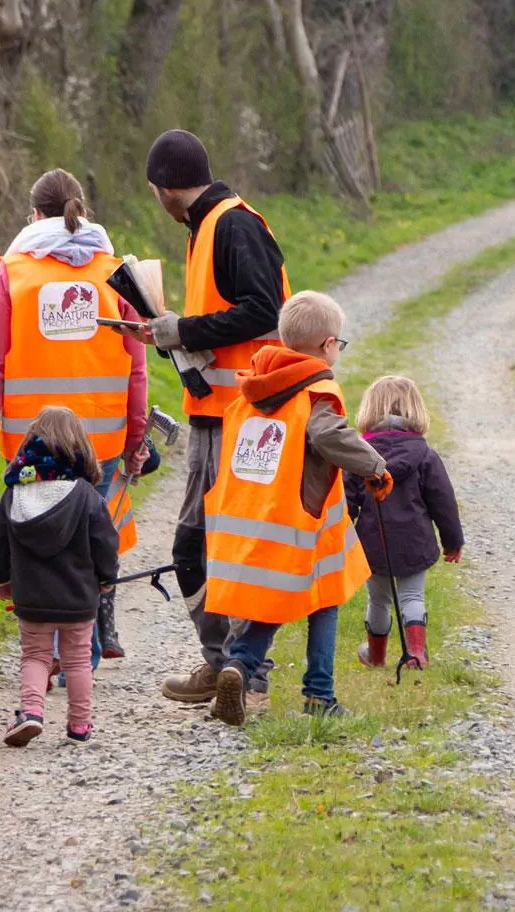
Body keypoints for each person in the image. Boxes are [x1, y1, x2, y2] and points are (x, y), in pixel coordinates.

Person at [132, 130, 291, 704]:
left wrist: (186, 330)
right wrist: (175, 333)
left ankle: (244, 669)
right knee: (197, 546)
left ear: (163, 189)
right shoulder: (206, 226)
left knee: (221, 546)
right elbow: (234, 315)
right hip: (213, 412)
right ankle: (224, 664)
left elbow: (262, 312)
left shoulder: (232, 223)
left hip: (243, 416)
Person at [0, 169, 149, 665]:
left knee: (37, 539)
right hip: (100, 442)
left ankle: (49, 652)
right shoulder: (117, 273)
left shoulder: (12, 273)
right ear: (83, 211)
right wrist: (136, 437)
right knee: (90, 542)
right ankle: (85, 652)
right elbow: (136, 368)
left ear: (33, 215)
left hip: (31, 446)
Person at [204, 291, 393, 726]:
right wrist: (374, 466)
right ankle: (318, 696)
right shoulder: (318, 392)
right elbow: (328, 437)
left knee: (274, 604)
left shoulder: (251, 384)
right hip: (302, 522)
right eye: (339, 344)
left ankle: (237, 668)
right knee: (323, 600)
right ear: (327, 345)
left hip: (251, 518)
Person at [0, 407, 121, 746]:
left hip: (31, 597)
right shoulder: (87, 497)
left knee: (35, 656)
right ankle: (79, 725)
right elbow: (105, 543)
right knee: (77, 660)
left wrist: (3, 581)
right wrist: (106, 579)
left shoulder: (13, 496)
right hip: (78, 598)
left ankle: (31, 713)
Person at [344, 375, 464, 671]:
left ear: (369, 410)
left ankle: (376, 656)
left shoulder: (360, 456)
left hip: (373, 542)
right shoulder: (425, 455)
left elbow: (346, 502)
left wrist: (338, 538)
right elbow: (443, 502)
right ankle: (416, 654)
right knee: (412, 595)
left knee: (378, 600)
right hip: (415, 541)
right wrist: (452, 541)